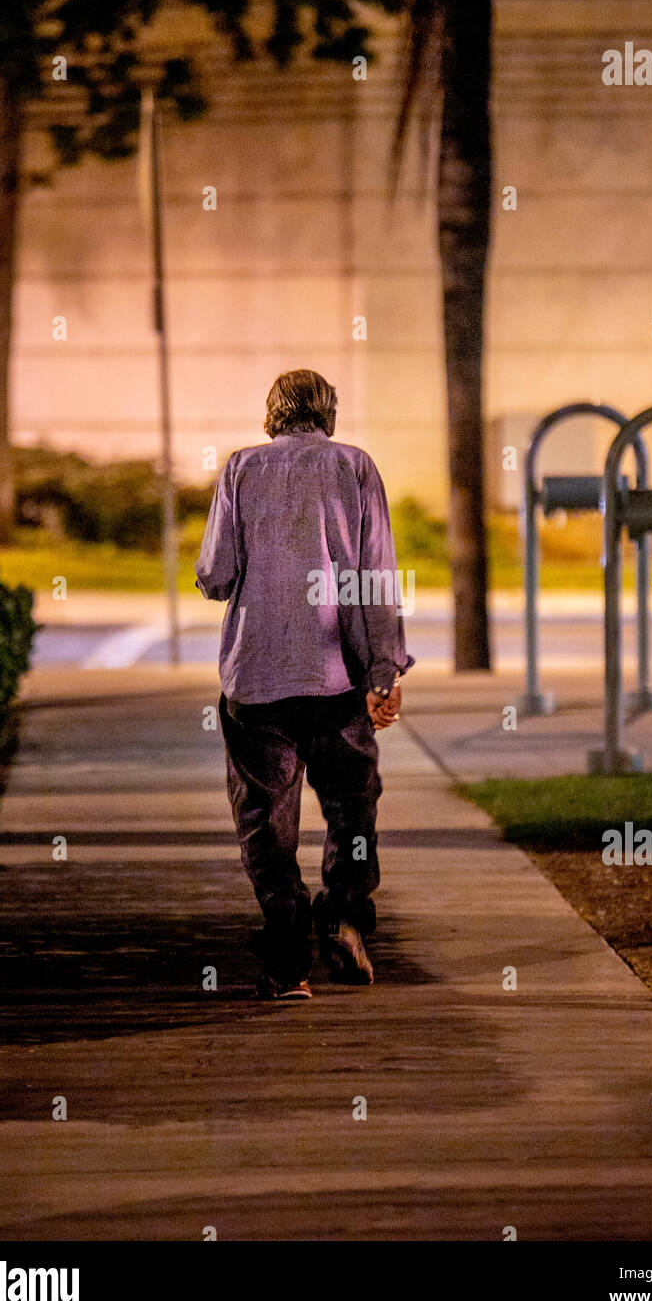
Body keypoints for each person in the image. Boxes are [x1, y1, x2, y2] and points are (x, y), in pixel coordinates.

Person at [195, 368, 414, 1001]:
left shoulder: (241, 468)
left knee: (266, 817)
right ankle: (344, 915)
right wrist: (384, 670)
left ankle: (288, 958)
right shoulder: (356, 467)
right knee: (352, 804)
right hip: (338, 679)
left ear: (273, 413)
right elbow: (376, 579)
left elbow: (216, 573)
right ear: (328, 413)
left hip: (257, 681)